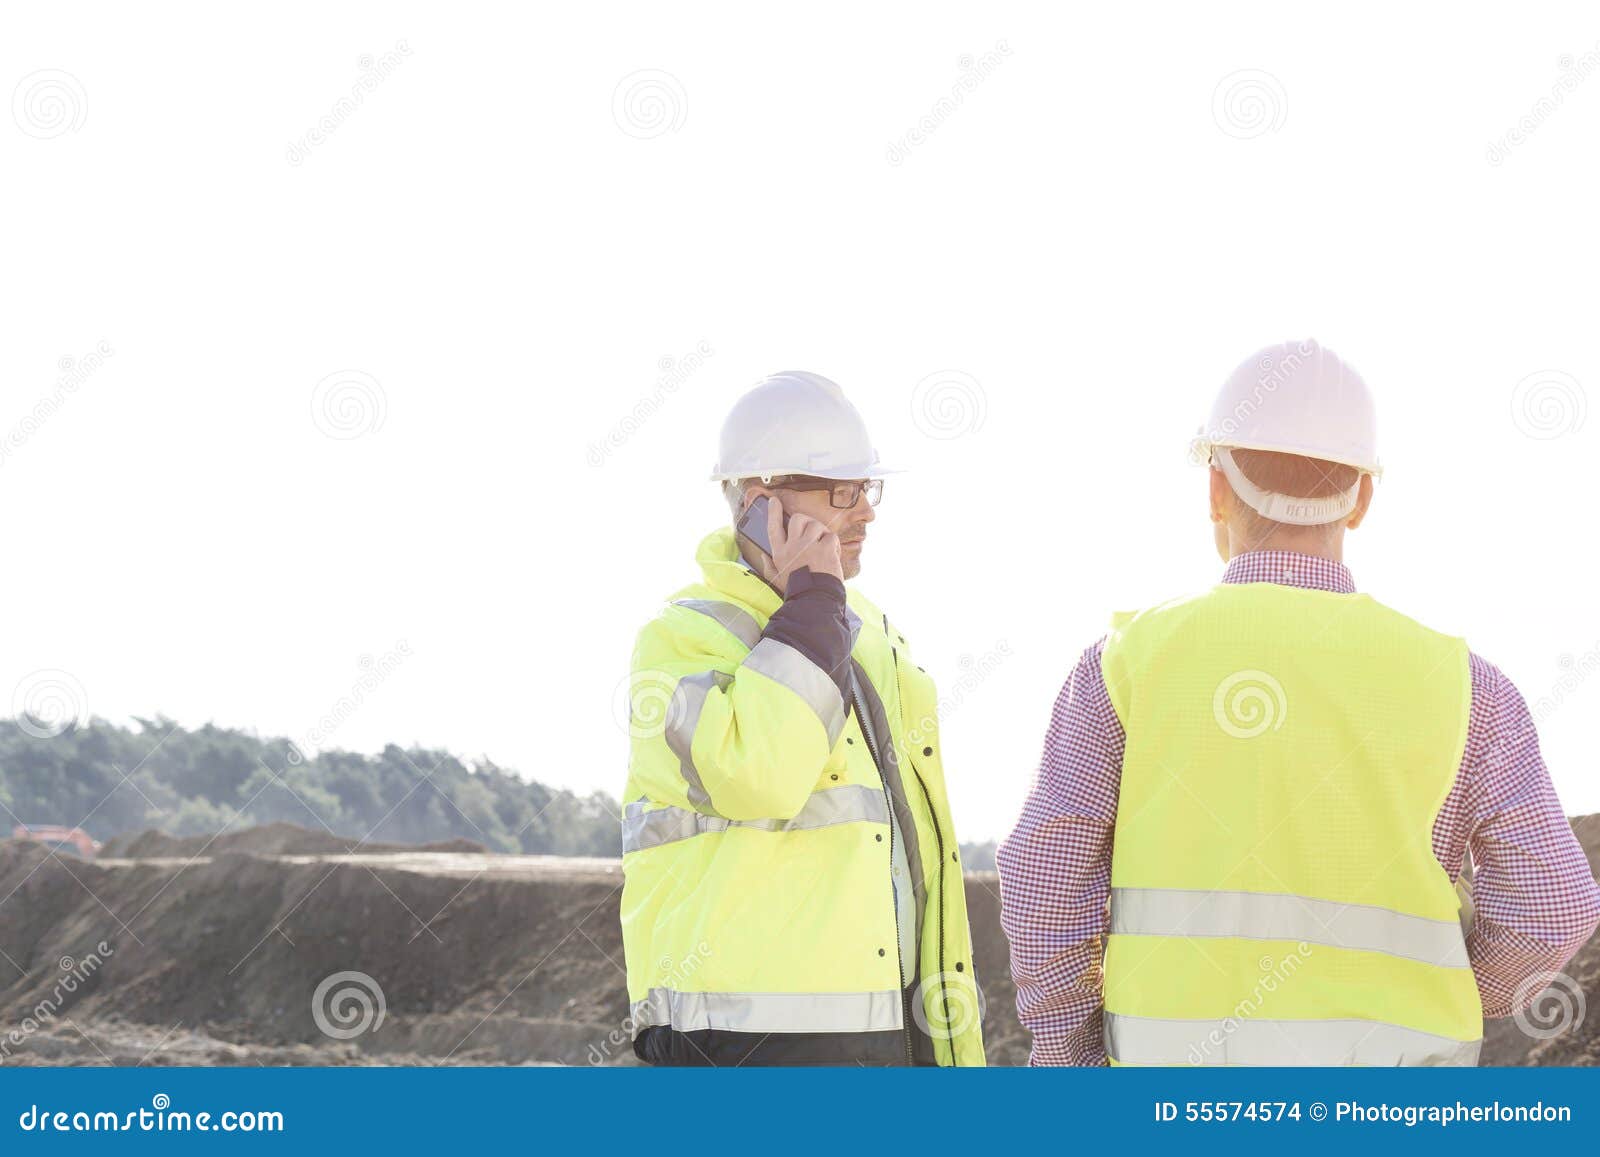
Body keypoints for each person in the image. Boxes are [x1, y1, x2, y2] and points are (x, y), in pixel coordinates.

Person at [997, 339, 1600, 1066]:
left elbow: (1043, 876)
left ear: (1215, 488)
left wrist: (1070, 1054)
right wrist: (1443, 991)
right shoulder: (1469, 687)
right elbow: (1554, 907)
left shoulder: (1123, 666)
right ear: (1363, 499)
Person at [619, 370, 985, 1066]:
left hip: (887, 1038)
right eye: (842, 490)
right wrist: (811, 611)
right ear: (761, 503)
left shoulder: (870, 636)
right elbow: (760, 775)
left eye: (868, 489)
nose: (866, 511)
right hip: (743, 1047)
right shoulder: (678, 642)